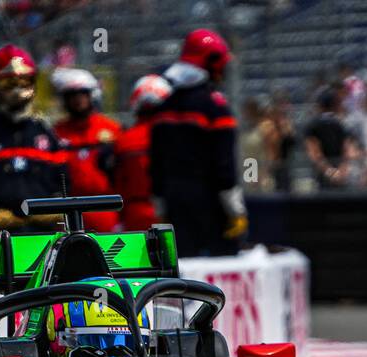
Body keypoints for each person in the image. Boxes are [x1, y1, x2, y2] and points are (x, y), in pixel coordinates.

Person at [150, 28, 246, 256]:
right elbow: (224, 165)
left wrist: (160, 203)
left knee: (183, 267)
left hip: (173, 200)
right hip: (210, 202)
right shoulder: (215, 107)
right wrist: (235, 210)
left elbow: (156, 161)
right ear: (211, 63)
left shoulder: (164, 106)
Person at [0, 45, 68, 234]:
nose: (16, 90)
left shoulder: (46, 135)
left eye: (22, 81)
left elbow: (63, 179)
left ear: (32, 83)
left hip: (42, 234)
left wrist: (55, 208)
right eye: (8, 84)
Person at [53, 68, 121, 231]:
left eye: (82, 93)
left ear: (92, 95)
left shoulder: (112, 129)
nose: (78, 100)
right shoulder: (56, 133)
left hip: (107, 210)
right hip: (69, 212)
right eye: (72, 95)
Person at [115, 74, 172, 231]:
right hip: (171, 210)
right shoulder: (175, 136)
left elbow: (120, 183)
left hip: (134, 213)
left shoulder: (124, 139)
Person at [305, 88, 360, 189]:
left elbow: (314, 154)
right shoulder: (343, 124)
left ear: (319, 106)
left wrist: (329, 172)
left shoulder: (312, 126)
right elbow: (349, 151)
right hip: (342, 178)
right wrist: (341, 172)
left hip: (322, 178)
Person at [240, 97, 275, 193]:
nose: (245, 114)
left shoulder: (266, 126)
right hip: (249, 169)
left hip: (262, 172)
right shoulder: (245, 128)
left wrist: (264, 173)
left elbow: (270, 152)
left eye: (247, 110)